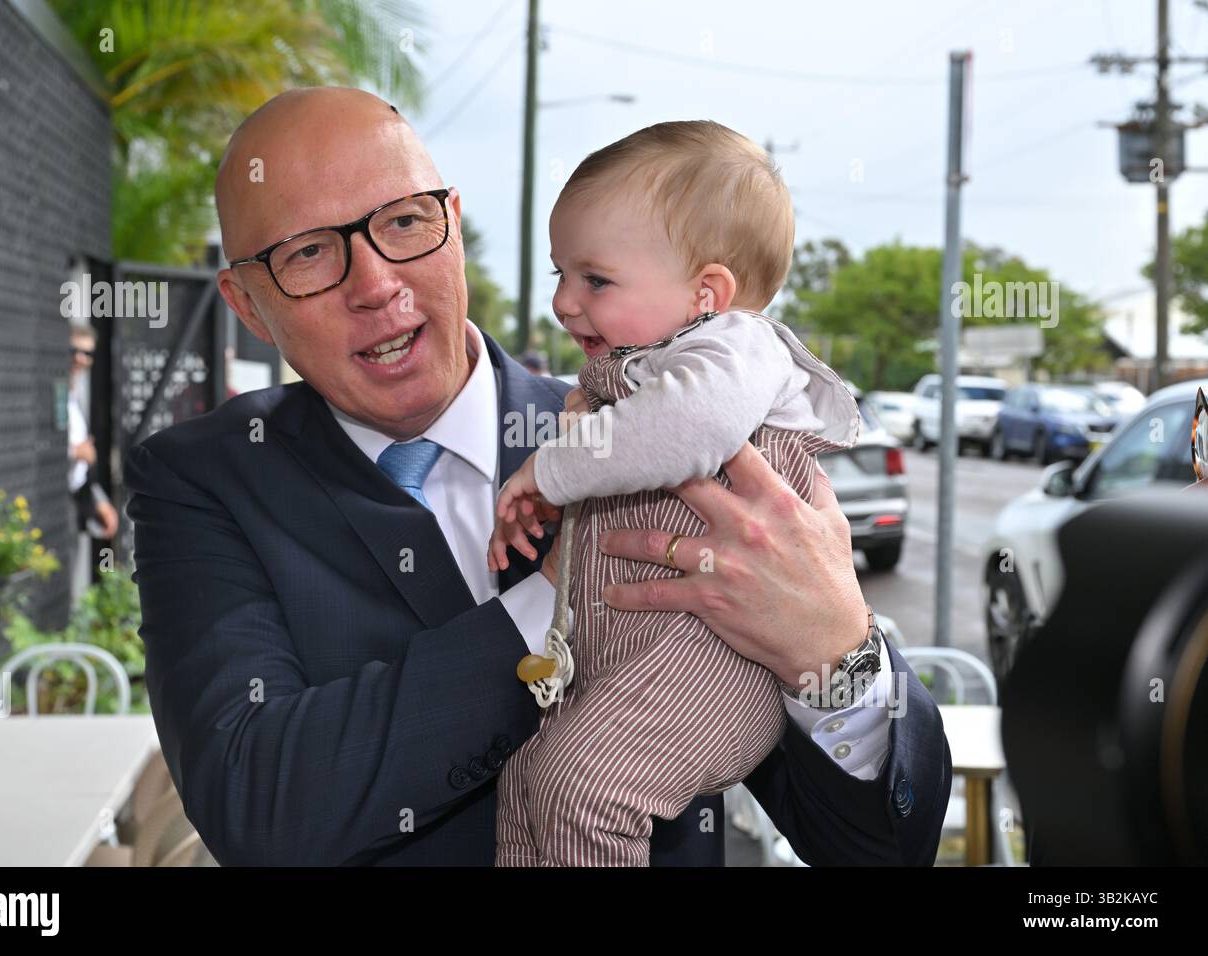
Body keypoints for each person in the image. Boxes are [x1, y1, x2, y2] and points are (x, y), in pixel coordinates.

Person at [124, 87, 951, 866]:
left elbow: (875, 849)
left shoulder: (665, 435)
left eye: (404, 223)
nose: (376, 286)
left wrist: (834, 652)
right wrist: (549, 597)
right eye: (308, 254)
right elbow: (256, 805)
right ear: (246, 304)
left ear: (452, 222)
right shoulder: (205, 480)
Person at [488, 121, 865, 866]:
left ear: (708, 294)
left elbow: (684, 426)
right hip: (640, 657)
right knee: (527, 779)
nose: (564, 302)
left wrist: (551, 471)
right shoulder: (636, 374)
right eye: (559, 272)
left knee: (580, 788)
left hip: (717, 667)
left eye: (594, 279)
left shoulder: (735, 351)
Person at [68, 323, 118, 599]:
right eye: (74, 351)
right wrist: (76, 452)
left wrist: (98, 499)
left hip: (76, 498)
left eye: (87, 354)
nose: (81, 359)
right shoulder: (49, 390)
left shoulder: (73, 394)